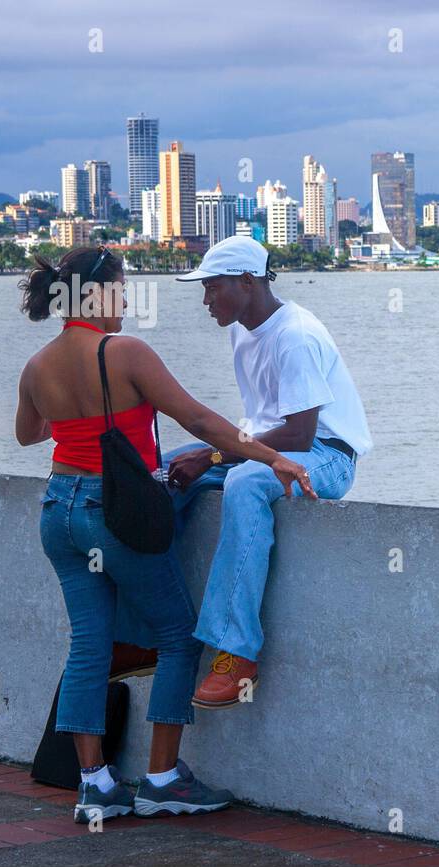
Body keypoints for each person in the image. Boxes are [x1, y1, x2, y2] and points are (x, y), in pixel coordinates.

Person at [15, 246, 316, 823]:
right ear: (96, 295)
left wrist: (79, 412)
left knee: (88, 645)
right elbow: (201, 422)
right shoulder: (124, 351)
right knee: (178, 636)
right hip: (113, 512)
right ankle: (162, 779)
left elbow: (31, 433)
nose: (126, 300)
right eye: (121, 289)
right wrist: (269, 456)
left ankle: (95, 785)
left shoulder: (38, 364)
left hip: (59, 509)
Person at [160, 236, 372, 708]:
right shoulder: (244, 327)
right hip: (266, 445)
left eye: (213, 288)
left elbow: (298, 435)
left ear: (248, 282)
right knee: (163, 474)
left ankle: (236, 653)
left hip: (327, 457)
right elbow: (262, 430)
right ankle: (151, 624)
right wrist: (210, 454)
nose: (206, 300)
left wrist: (215, 456)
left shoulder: (294, 335)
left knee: (246, 480)